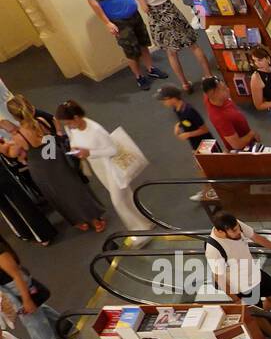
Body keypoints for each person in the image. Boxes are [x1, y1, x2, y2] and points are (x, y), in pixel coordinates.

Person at [1, 96, 106, 234]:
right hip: (55, 158)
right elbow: (49, 140)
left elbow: (12, 154)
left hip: (39, 168)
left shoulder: (18, 136)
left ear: (13, 115)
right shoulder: (40, 121)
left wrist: (6, 142)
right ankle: (94, 219)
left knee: (58, 195)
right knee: (74, 188)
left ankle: (79, 221)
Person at [206, 211, 271, 339]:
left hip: (254, 273)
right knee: (257, 312)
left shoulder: (235, 225)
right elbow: (218, 277)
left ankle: (255, 319)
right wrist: (236, 300)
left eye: (238, 228)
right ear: (221, 231)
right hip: (240, 285)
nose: (239, 233)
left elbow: (256, 237)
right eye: (234, 231)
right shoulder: (213, 250)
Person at [55, 100, 151, 232]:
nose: (68, 126)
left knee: (118, 201)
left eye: (68, 123)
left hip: (111, 166)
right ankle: (145, 222)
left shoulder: (96, 130)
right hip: (98, 167)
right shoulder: (71, 128)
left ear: (76, 118)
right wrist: (76, 149)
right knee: (125, 196)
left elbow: (113, 150)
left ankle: (139, 229)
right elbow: (73, 141)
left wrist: (90, 152)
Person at [81, 0, 167, 91]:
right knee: (131, 51)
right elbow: (92, 1)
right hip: (118, 20)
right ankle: (139, 77)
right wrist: (107, 23)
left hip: (133, 13)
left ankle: (151, 69)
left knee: (143, 42)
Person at [127, 0, 212, 92]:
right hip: (171, 13)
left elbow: (145, 9)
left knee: (171, 54)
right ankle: (208, 76)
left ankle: (185, 84)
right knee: (194, 46)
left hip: (157, 19)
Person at [0, 234, 63, 339]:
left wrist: (26, 299)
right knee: (39, 311)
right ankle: (64, 328)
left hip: (16, 287)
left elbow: (16, 275)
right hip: (11, 287)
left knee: (33, 321)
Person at [156, 86, 219, 202]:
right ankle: (209, 190)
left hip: (206, 144)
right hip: (196, 145)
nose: (163, 103)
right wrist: (179, 125)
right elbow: (184, 121)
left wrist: (188, 134)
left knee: (206, 169)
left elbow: (204, 129)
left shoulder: (189, 111)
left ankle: (210, 191)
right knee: (203, 169)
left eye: (164, 100)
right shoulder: (176, 109)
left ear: (172, 98)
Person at [202, 77, 260, 152]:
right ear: (214, 93)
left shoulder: (209, 97)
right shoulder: (220, 118)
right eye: (223, 89)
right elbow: (237, 144)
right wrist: (252, 134)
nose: (228, 89)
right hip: (244, 150)